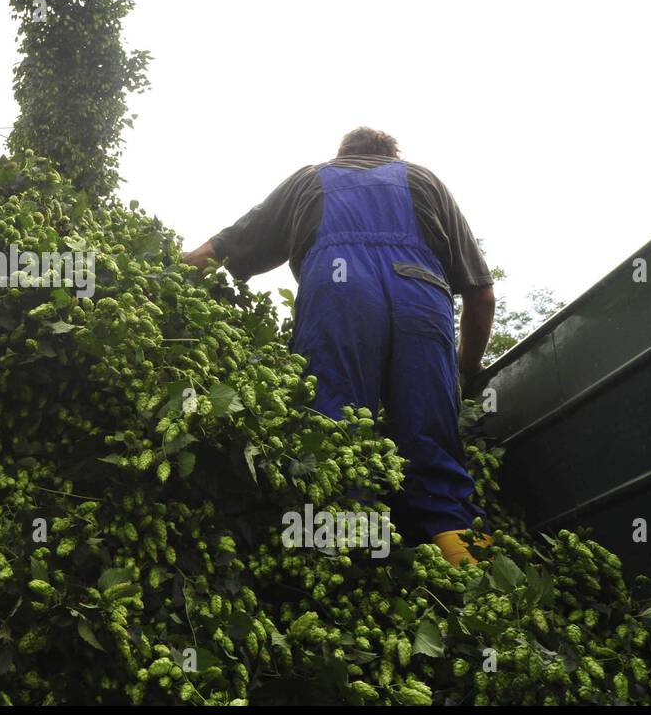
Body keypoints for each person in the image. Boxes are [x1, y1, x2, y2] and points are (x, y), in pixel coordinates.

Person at [183, 127, 497, 567]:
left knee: (332, 440)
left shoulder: (310, 179)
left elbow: (228, 247)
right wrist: (464, 373)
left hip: (339, 296)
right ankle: (477, 584)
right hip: (421, 301)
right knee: (435, 453)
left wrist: (162, 275)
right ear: (392, 155)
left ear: (342, 154)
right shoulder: (426, 182)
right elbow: (481, 296)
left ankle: (347, 578)